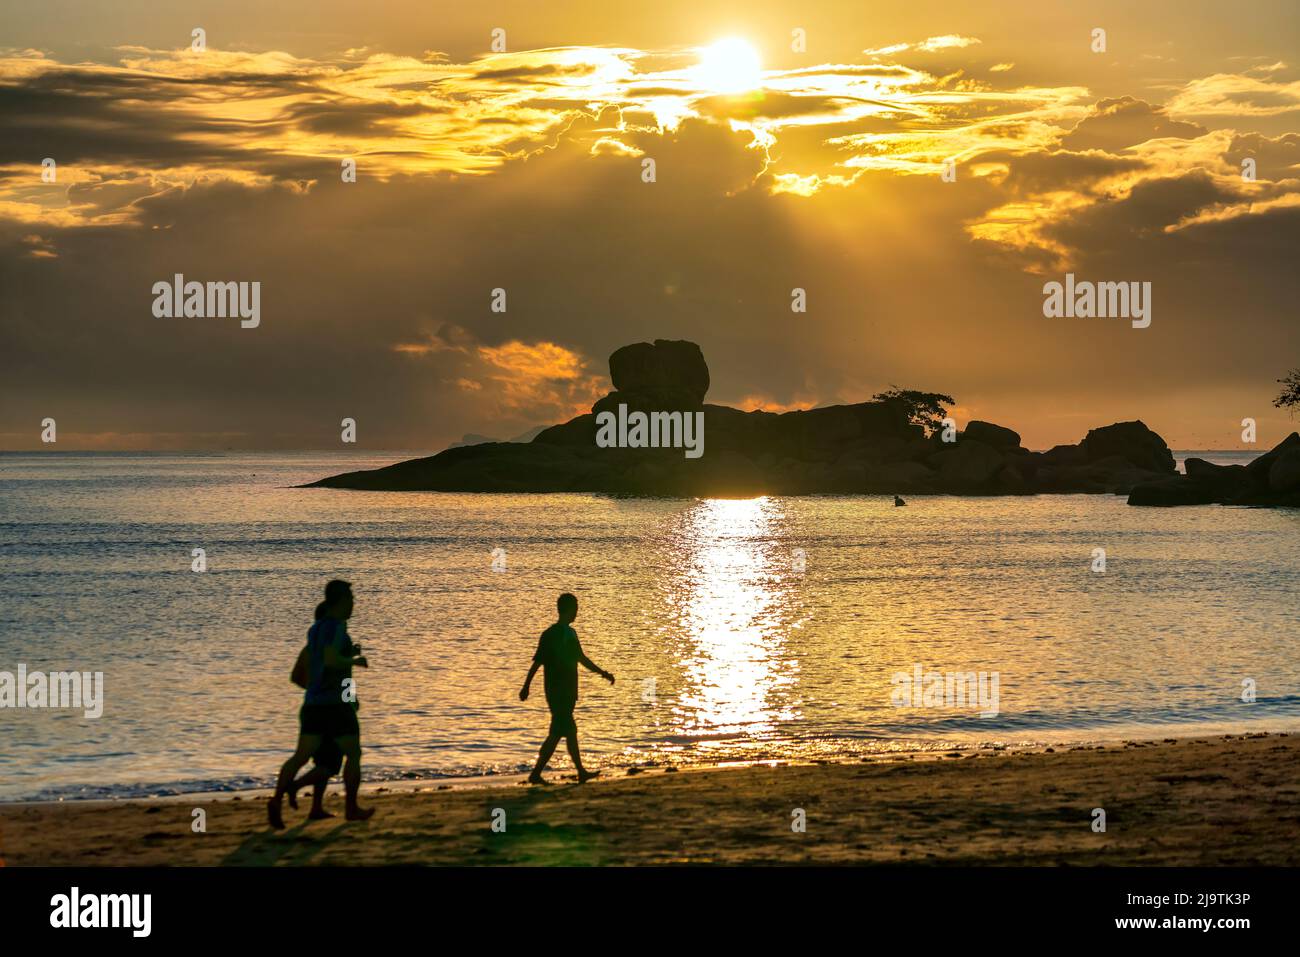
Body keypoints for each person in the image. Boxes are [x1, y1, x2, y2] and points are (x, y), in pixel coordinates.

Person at [268, 580, 373, 829]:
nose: (354, 604)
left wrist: (347, 665)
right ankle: (351, 808)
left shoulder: (314, 630)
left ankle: (277, 799)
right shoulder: (337, 626)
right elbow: (331, 661)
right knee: (353, 754)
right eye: (351, 599)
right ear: (341, 601)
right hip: (335, 705)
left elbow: (329, 667)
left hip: (313, 705)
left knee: (301, 757)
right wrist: (356, 660)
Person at [519, 592, 614, 785]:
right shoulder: (560, 634)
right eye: (575, 609)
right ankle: (537, 774)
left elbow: (574, 659)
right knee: (558, 733)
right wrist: (526, 686)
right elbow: (576, 659)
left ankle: (579, 771)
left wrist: (602, 673)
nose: (577, 613)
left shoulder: (558, 633)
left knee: (568, 732)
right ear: (568, 610)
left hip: (561, 690)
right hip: (561, 691)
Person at [285, 600, 351, 820]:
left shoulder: (312, 648)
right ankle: (295, 786)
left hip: (316, 707)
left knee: (323, 761)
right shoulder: (329, 647)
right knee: (331, 763)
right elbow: (344, 677)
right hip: (331, 709)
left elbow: (297, 677)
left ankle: (316, 808)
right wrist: (346, 699)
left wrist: (314, 690)